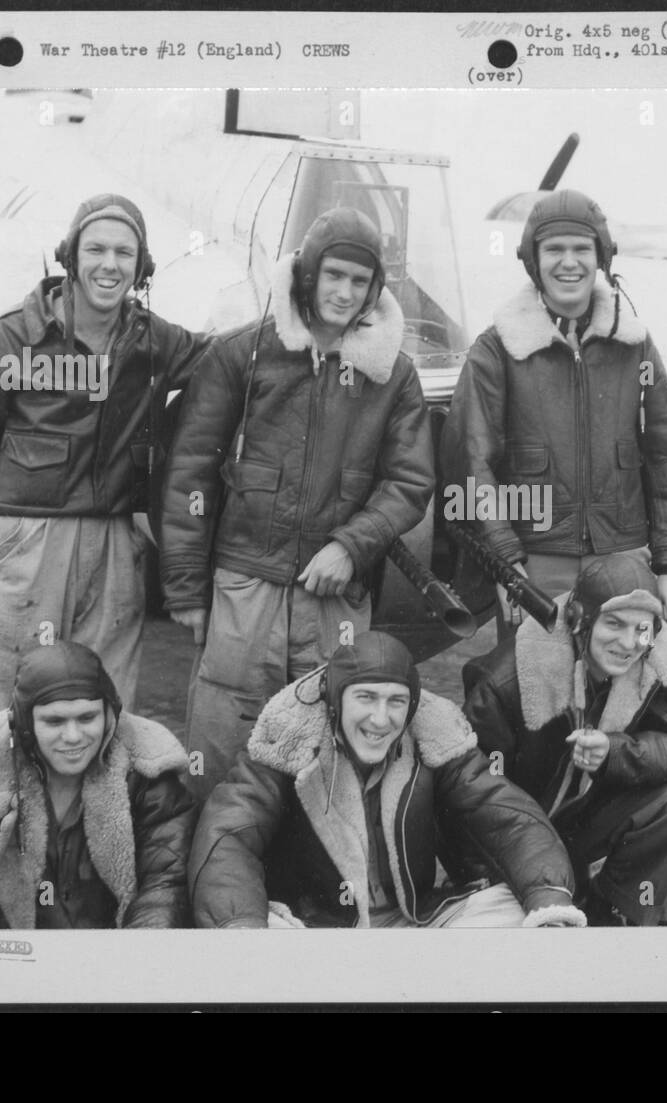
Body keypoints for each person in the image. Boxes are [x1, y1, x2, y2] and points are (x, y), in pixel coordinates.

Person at [160, 208, 434, 800]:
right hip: (243, 586)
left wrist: (350, 545)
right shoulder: (243, 355)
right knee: (222, 747)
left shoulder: (395, 375)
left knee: (330, 741)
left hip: (335, 592)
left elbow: (409, 481)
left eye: (360, 281)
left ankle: (317, 884)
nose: (344, 292)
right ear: (307, 275)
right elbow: (191, 475)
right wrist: (184, 586)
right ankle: (212, 878)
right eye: (333, 274)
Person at [0, 194, 212, 720]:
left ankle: (102, 805)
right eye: (96, 249)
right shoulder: (5, 340)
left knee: (105, 697)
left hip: (114, 544)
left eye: (125, 253)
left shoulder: (156, 342)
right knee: (15, 698)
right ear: (70, 256)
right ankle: (2, 805)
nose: (110, 264)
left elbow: (233, 359)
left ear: (141, 266)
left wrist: (303, 308)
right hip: (23, 541)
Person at [189, 631, 586, 928]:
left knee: (527, 911)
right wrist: (241, 931)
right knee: (250, 932)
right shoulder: (287, 741)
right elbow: (228, 838)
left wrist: (548, 894)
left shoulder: (434, 738)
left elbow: (509, 817)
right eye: (365, 698)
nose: (381, 720)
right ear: (335, 700)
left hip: (409, 922)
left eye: (396, 701)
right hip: (313, 928)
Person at [442, 189, 667, 635]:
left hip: (624, 558)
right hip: (536, 560)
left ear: (601, 256)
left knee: (625, 689)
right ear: (533, 260)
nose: (569, 262)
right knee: (535, 692)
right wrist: (505, 562)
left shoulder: (634, 344)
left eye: (582, 249)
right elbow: (472, 463)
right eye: (554, 250)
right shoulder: (496, 350)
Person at [462, 555, 667, 926]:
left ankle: (613, 911)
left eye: (642, 629)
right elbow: (468, 791)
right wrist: (483, 885)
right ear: (579, 620)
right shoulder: (507, 677)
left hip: (579, 826)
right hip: (513, 837)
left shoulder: (659, 660)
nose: (628, 643)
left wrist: (619, 752)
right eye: (614, 624)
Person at [0, 640, 197, 929]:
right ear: (24, 723)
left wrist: (139, 955)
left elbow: (166, 883)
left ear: (109, 715)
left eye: (87, 718)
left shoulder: (150, 777)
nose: (73, 736)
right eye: (54, 721)